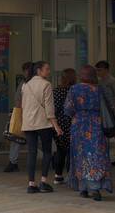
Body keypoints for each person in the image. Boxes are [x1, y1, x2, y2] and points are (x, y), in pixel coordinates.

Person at [64, 65, 113, 201]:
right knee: (96, 154)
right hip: (96, 125)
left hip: (78, 125)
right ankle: (95, 187)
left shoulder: (74, 89)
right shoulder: (99, 89)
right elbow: (110, 105)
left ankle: (83, 187)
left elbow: (68, 109)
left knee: (80, 155)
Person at [20, 61, 61, 193]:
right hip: (43, 123)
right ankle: (43, 181)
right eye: (47, 69)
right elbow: (49, 108)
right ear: (39, 70)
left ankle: (31, 184)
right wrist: (56, 126)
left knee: (32, 153)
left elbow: (23, 105)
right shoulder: (46, 84)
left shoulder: (25, 85)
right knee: (47, 152)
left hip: (28, 123)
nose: (49, 71)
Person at [95, 60, 115, 166]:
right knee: (106, 133)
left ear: (106, 70)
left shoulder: (111, 81)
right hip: (106, 112)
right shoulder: (100, 81)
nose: (98, 72)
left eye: (100, 70)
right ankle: (105, 156)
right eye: (97, 70)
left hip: (113, 112)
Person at [4, 61, 33, 172]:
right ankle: (13, 162)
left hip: (27, 114)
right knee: (16, 138)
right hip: (24, 114)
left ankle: (13, 162)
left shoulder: (27, 84)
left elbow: (18, 100)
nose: (25, 73)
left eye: (26, 70)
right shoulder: (24, 83)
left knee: (18, 138)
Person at [51, 67, 76, 184]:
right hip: (72, 123)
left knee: (60, 150)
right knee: (72, 150)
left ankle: (58, 176)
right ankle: (71, 176)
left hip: (59, 124)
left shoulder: (56, 91)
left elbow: (53, 109)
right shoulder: (75, 91)